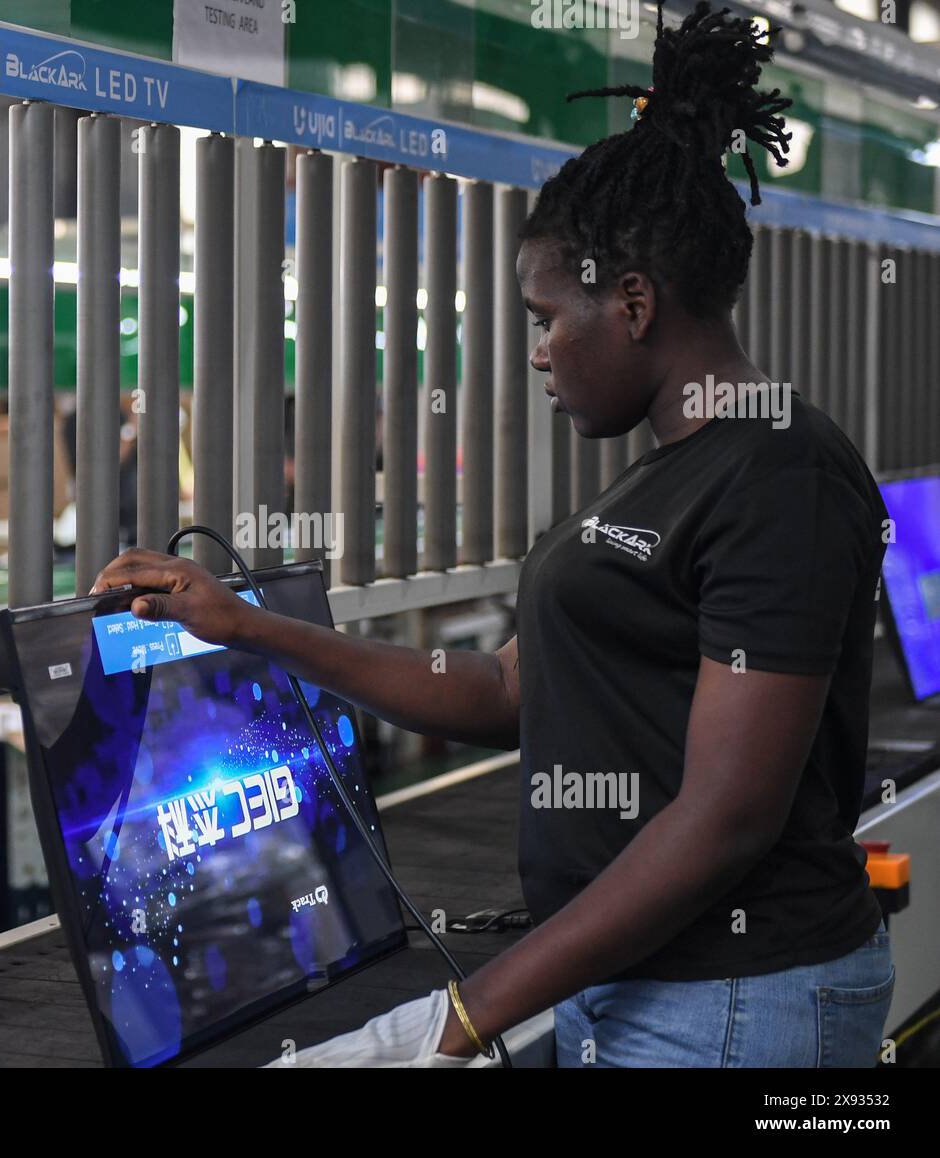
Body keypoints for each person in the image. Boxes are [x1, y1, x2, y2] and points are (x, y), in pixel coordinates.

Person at [89, 1, 895, 1068]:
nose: (538, 352)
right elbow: (503, 691)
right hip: (652, 993)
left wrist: (459, 1020)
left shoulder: (773, 472)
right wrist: (249, 627)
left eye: (544, 317)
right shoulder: (674, 478)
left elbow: (726, 821)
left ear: (636, 303)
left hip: (733, 1006)